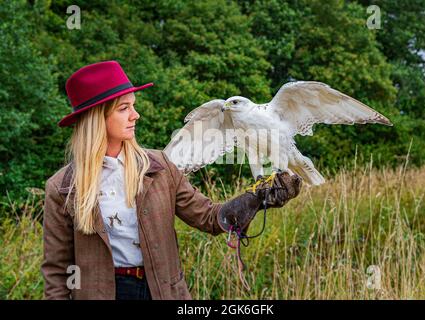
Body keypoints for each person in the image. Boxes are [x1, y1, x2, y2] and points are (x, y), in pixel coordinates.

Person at [41, 60, 302, 300]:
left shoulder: (158, 167)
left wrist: (254, 198)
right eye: (124, 108)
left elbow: (209, 218)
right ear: (97, 118)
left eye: (134, 105)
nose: (136, 115)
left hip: (162, 292)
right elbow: (56, 272)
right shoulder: (63, 187)